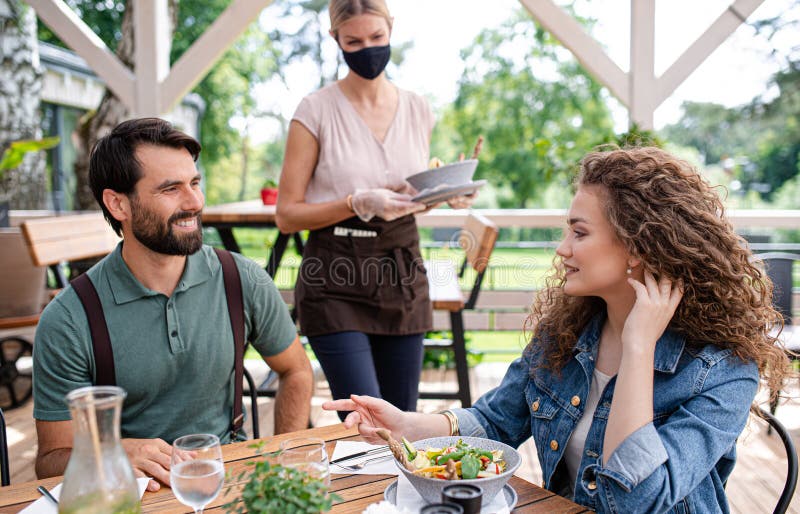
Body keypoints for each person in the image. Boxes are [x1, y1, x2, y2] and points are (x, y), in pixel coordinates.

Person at [323, 147, 791, 513]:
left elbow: (637, 502)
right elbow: (494, 423)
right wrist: (408, 426)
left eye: (580, 233)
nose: (562, 249)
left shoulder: (724, 370)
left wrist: (638, 347)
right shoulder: (569, 331)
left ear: (638, 248)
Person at [33, 118, 314, 491]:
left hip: (228, 480)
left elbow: (296, 371)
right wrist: (114, 453)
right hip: (131, 494)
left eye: (195, 183)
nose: (194, 201)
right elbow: (51, 461)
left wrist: (282, 465)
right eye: (170, 189)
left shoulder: (241, 279)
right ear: (118, 204)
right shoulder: (69, 319)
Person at [276, 0, 474, 420]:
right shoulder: (315, 111)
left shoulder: (418, 108)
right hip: (334, 276)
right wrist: (355, 203)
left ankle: (399, 489)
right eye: (354, 41)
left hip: (401, 271)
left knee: (401, 420)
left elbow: (408, 200)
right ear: (336, 40)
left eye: (376, 38)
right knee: (364, 420)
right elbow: (287, 215)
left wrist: (443, 195)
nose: (367, 48)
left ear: (391, 30)